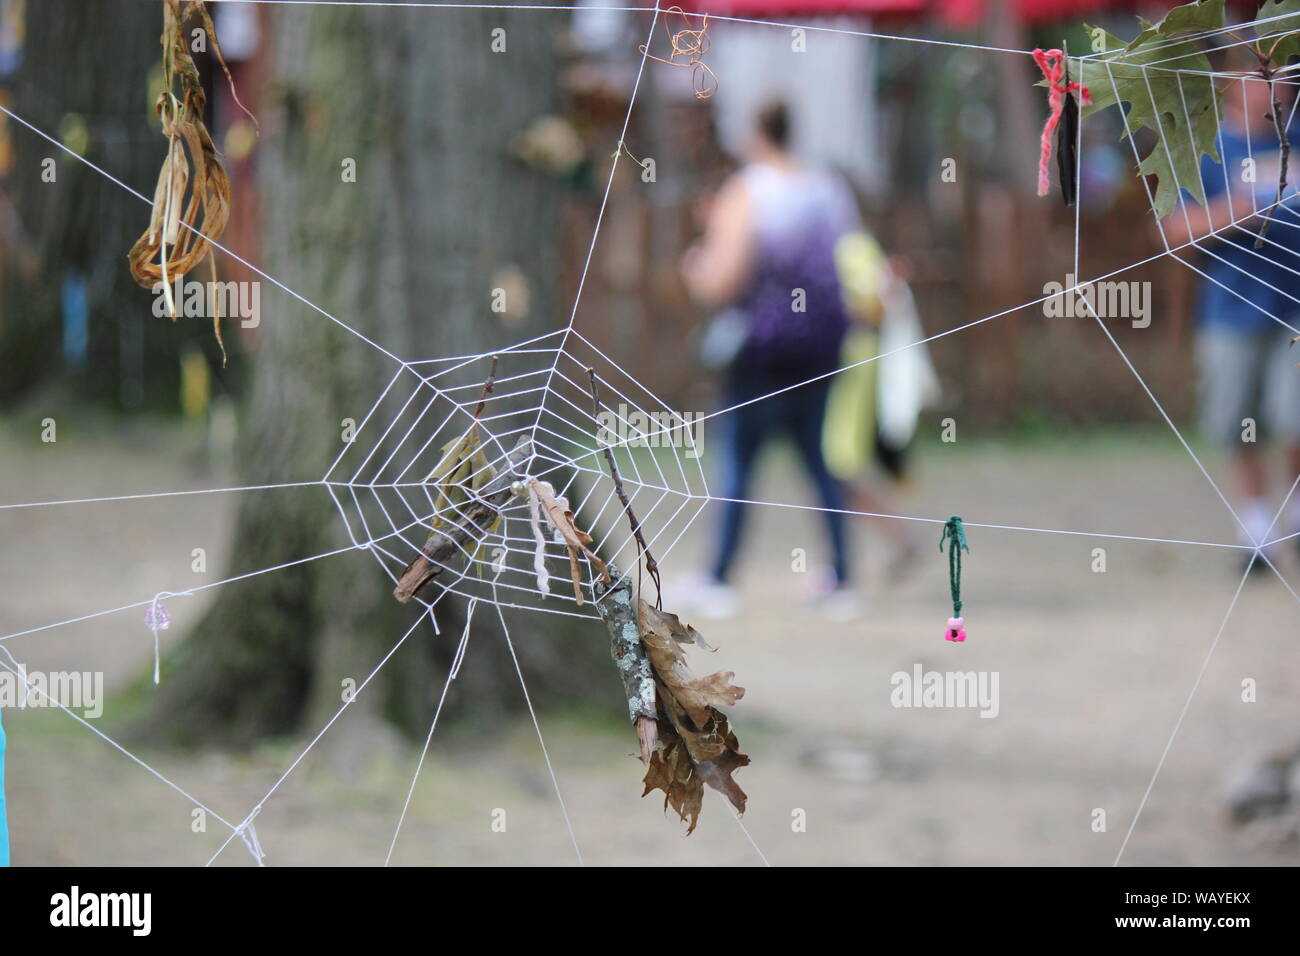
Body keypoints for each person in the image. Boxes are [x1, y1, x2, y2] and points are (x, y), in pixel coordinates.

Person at [680, 101, 860, 619]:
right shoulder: (828, 188)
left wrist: (697, 270)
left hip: (763, 345)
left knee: (738, 458)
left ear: (755, 134)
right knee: (818, 459)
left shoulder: (748, 190)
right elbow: (850, 261)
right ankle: (843, 578)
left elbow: (725, 279)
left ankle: (718, 579)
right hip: (822, 344)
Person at [1162, 69, 1300, 569]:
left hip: (1296, 308)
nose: (1277, 88)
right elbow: (1176, 228)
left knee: (1295, 418)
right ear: (1234, 88)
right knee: (1240, 424)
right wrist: (1237, 213)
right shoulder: (1209, 149)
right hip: (1231, 309)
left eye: (1284, 79)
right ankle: (1256, 530)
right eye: (1264, 79)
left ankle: (1295, 512)